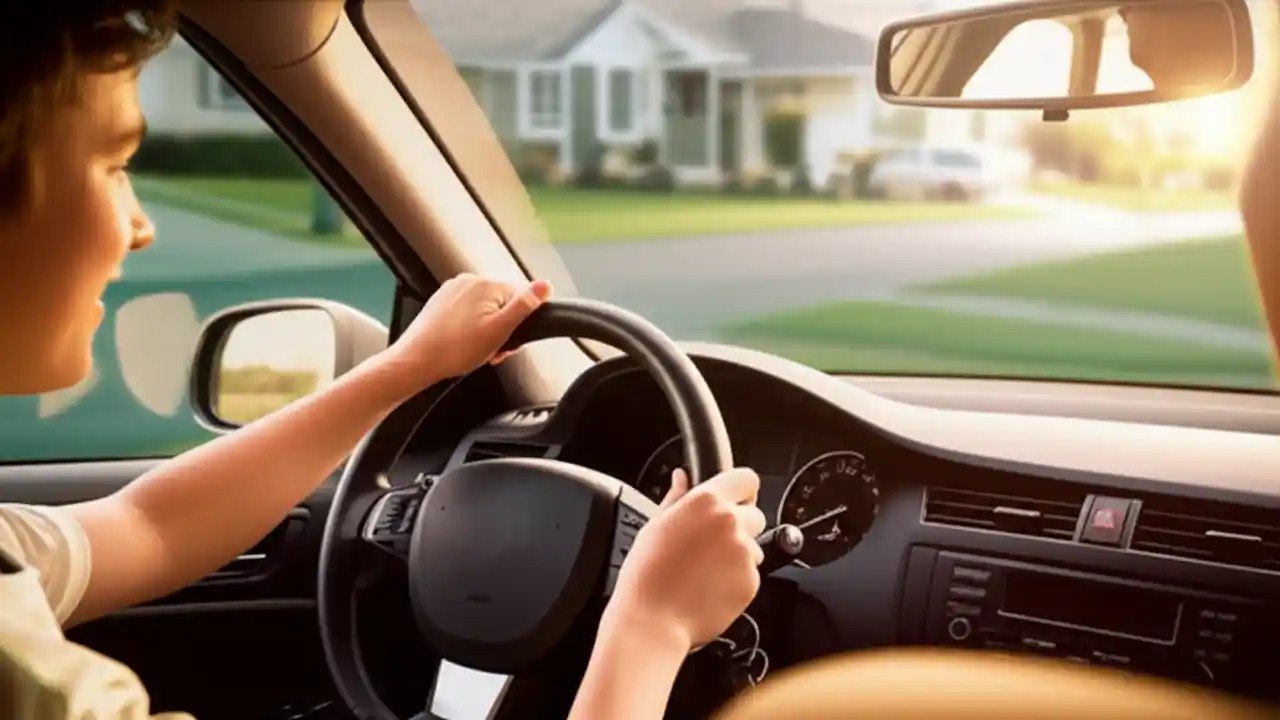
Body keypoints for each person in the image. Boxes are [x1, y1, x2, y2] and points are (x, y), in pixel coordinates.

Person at [0, 3, 764, 718]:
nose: (139, 226)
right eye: (113, 164)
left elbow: (150, 525)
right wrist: (652, 622)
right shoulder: (35, 683)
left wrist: (409, 368)